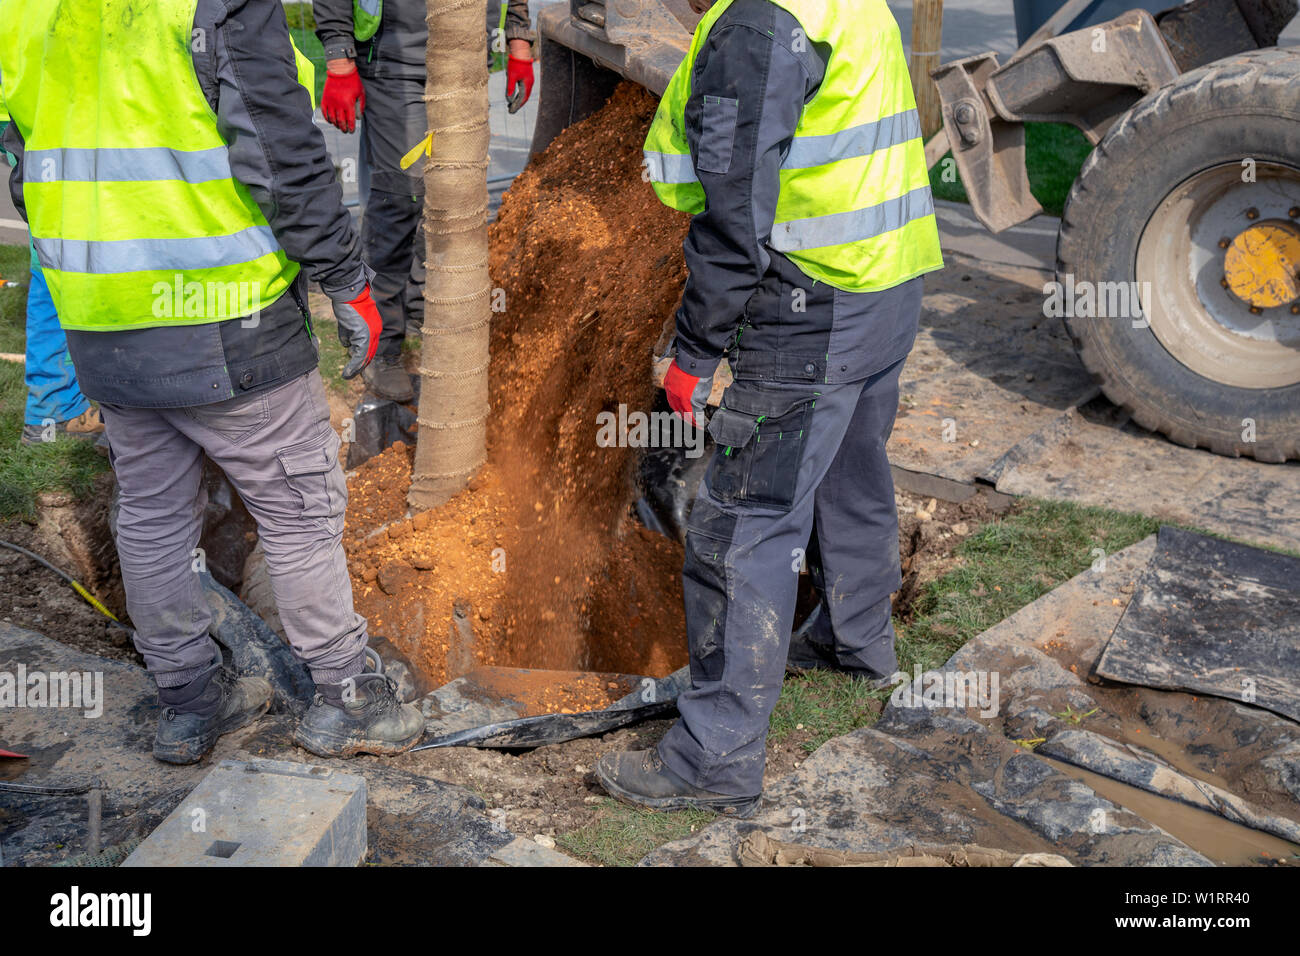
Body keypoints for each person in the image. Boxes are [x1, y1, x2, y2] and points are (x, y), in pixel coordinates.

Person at [0, 0, 425, 764]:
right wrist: (345, 278)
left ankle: (188, 704)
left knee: (155, 514)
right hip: (226, 319)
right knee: (298, 507)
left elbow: (22, 157)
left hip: (103, 320)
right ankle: (347, 697)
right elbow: (283, 156)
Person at [596, 0, 944, 816]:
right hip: (888, 280)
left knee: (742, 523)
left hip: (810, 308)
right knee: (850, 472)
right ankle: (858, 642)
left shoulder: (758, 26)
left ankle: (712, 755)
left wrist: (694, 349)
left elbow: (736, 213)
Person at [313, 0, 535, 402]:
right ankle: (381, 346)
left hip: (465, 62)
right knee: (400, 198)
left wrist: (519, 38)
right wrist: (339, 59)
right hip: (396, 65)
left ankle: (419, 306)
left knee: (451, 194)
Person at [0, 94, 102, 447]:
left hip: (35, 108)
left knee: (56, 259)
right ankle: (52, 410)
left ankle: (52, 408)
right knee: (54, 262)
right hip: (44, 108)